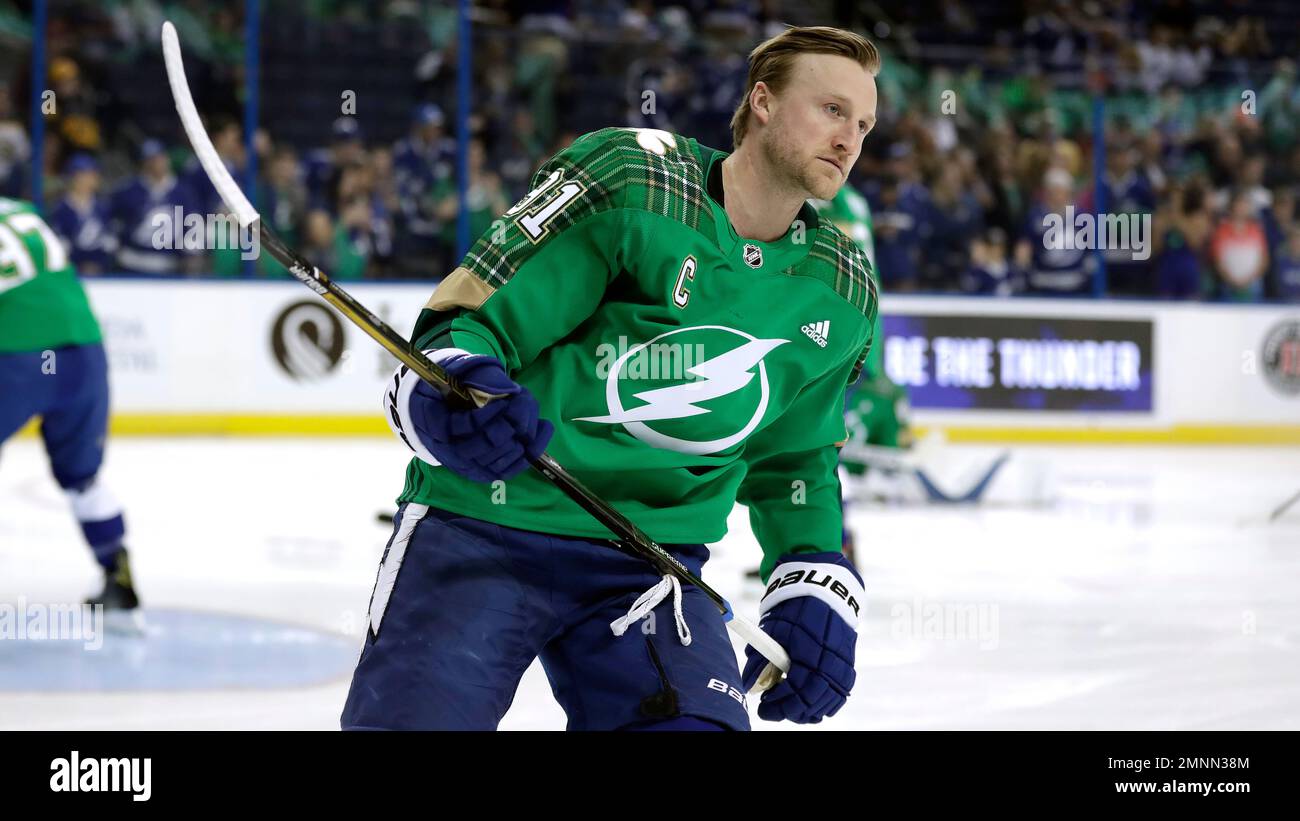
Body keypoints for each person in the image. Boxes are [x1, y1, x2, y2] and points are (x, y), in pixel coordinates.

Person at [342, 25, 881, 731]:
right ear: (763, 103)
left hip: (652, 570)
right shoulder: (632, 182)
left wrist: (814, 571)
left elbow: (794, 460)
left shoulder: (840, 287)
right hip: (487, 527)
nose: (849, 139)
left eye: (864, 124)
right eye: (832, 110)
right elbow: (470, 321)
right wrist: (458, 387)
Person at [0, 198, 137, 610]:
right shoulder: (18, 208)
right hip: (84, 350)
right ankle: (118, 575)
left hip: (18, 356)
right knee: (83, 479)